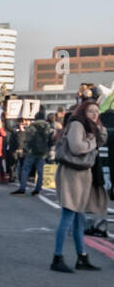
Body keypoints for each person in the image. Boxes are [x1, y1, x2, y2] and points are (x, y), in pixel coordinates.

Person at [50, 99, 106, 272]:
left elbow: (102, 141)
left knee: (79, 219)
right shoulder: (77, 124)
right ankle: (57, 258)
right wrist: (92, 142)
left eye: (97, 112)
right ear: (83, 111)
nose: (95, 114)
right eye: (91, 111)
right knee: (68, 215)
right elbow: (76, 147)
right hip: (72, 175)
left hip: (82, 175)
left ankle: (81, 257)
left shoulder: (89, 127)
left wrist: (99, 130)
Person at [13, 111, 50, 195]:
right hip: (42, 151)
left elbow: (27, 138)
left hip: (31, 151)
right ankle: (38, 188)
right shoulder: (47, 126)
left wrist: (25, 149)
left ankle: (22, 188)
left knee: (26, 169)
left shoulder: (32, 126)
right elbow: (49, 138)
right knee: (40, 170)